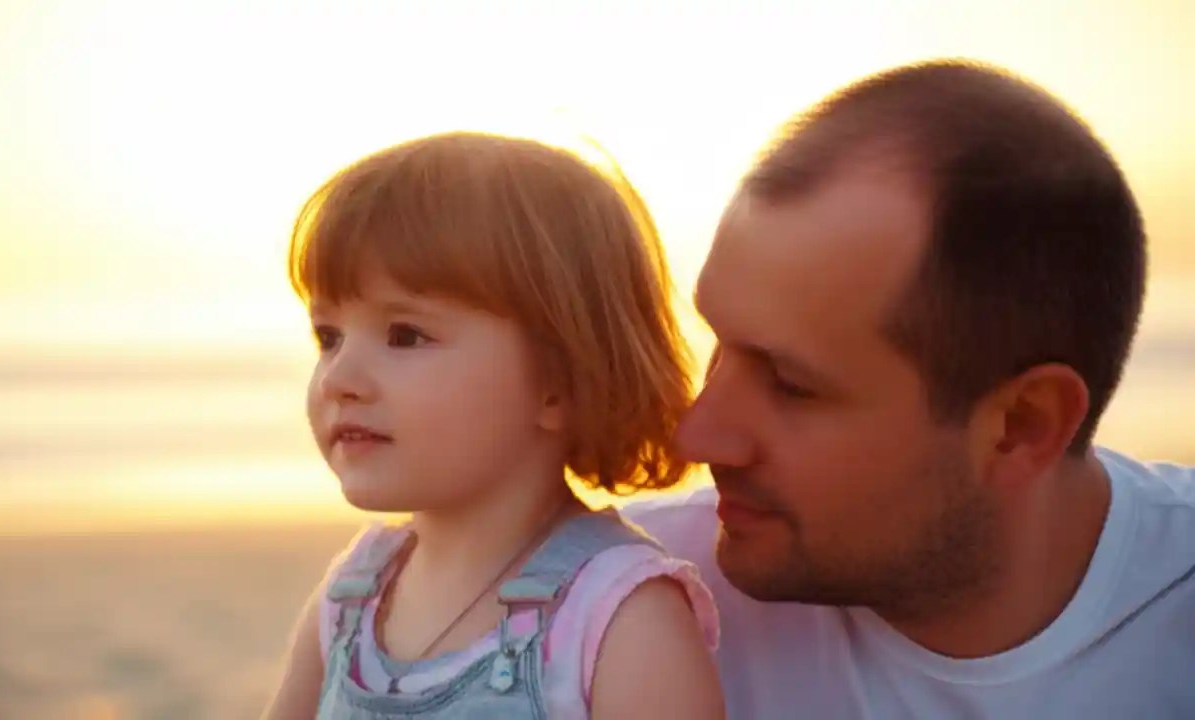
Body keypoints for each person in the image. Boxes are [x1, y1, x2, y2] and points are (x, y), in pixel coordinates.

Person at [624, 59, 1195, 718]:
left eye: (790, 385)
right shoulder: (618, 607)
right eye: (717, 344)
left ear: (1022, 427)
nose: (695, 434)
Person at [261, 132, 724, 719]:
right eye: (329, 338)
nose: (339, 377)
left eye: (405, 335)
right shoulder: (351, 598)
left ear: (558, 381)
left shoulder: (617, 617)